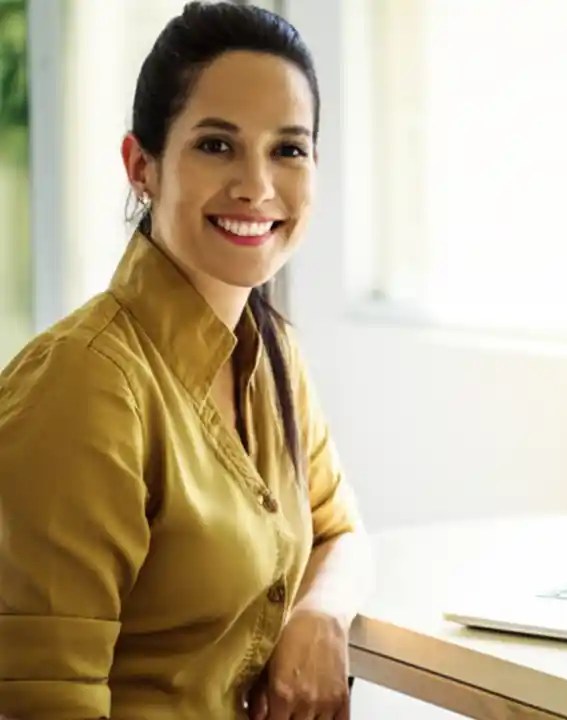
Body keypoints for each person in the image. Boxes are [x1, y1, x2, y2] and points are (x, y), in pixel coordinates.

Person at [0, 3, 372, 718]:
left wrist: (318, 615)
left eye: (288, 150)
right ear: (142, 165)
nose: (257, 186)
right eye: (216, 145)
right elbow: (44, 701)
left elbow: (341, 530)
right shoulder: (83, 388)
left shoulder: (274, 354)